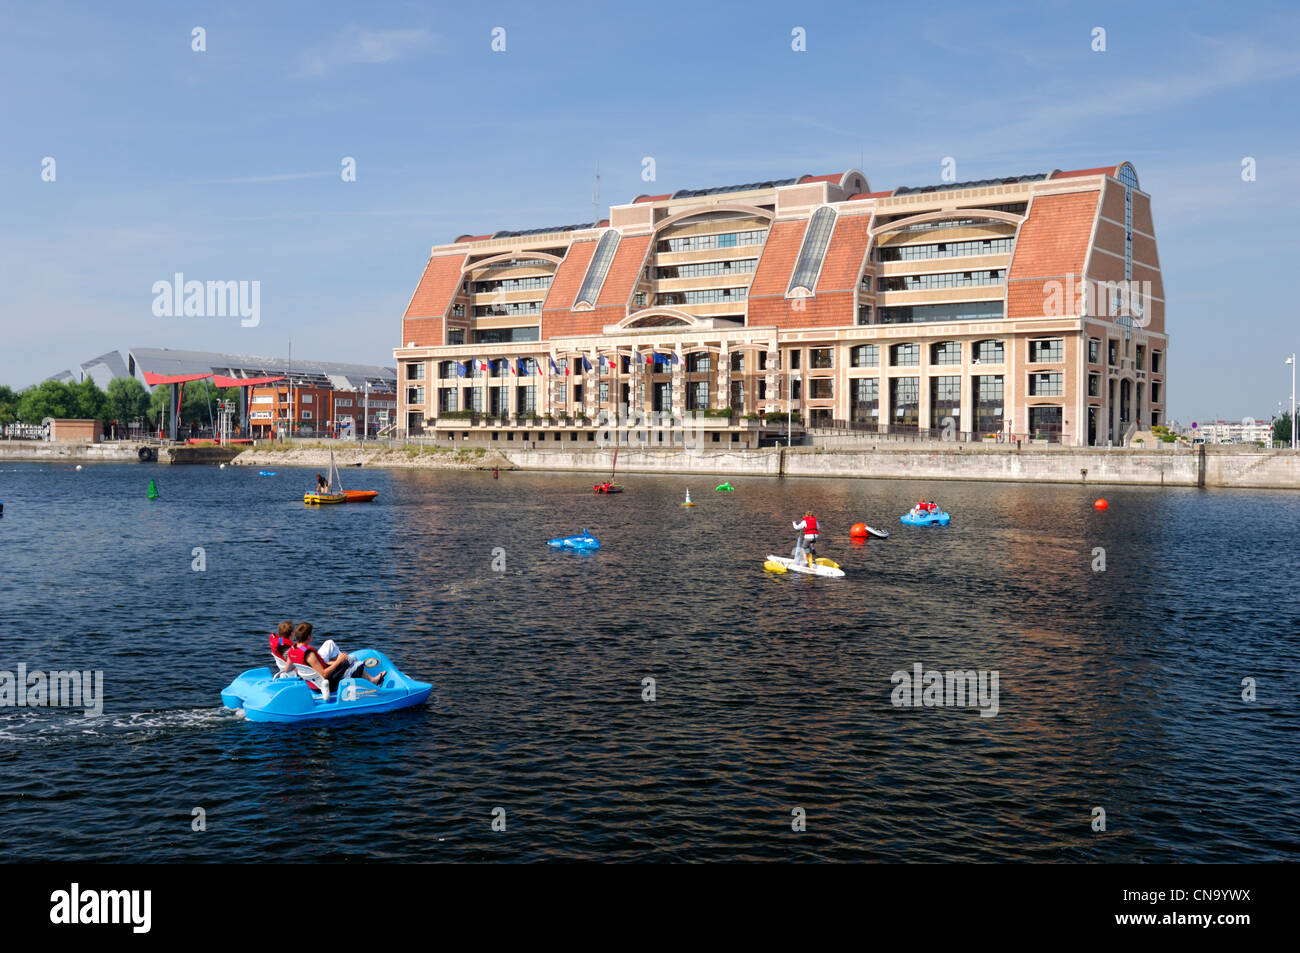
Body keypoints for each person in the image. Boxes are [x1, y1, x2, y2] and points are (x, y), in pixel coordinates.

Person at [286, 623, 385, 692]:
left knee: (351, 658)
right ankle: (372, 681)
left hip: (311, 682)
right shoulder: (309, 654)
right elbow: (324, 675)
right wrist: (338, 662)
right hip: (325, 684)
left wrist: (304, 672)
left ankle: (369, 679)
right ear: (308, 637)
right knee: (356, 663)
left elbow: (289, 668)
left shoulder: (293, 650)